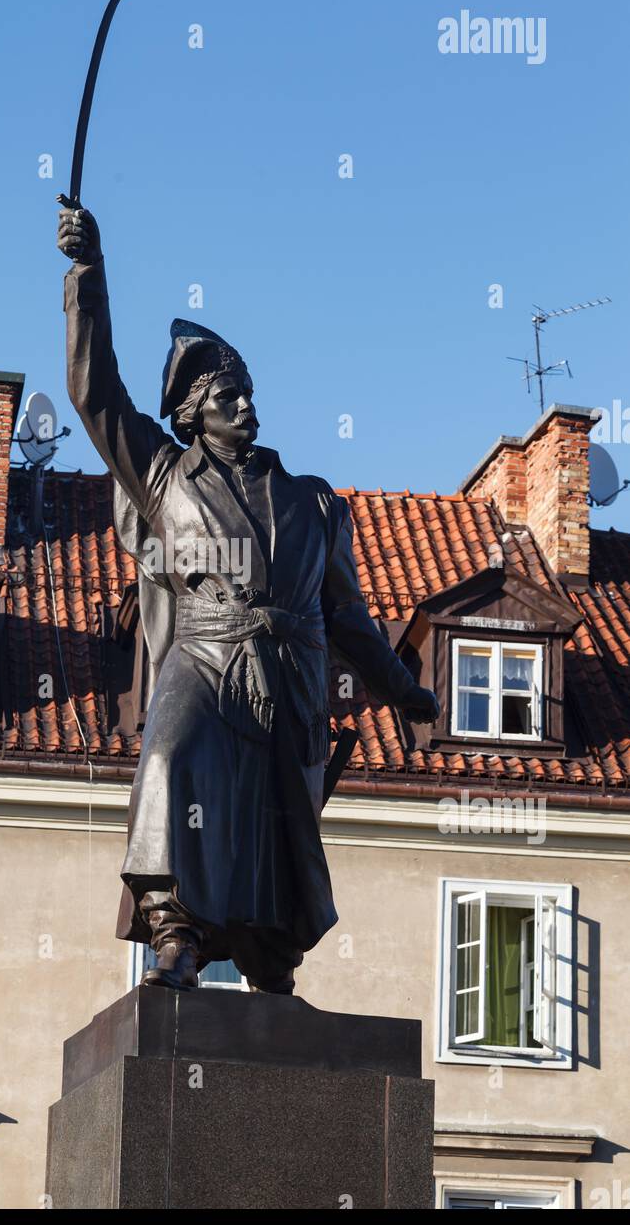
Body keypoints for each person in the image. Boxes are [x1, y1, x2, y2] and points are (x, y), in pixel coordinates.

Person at [58, 206, 439, 993]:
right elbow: (95, 395)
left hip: (291, 669)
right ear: (193, 412)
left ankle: (270, 960)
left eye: (247, 390)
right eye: (227, 393)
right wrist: (86, 277)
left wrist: (402, 689)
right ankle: (173, 934)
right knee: (168, 758)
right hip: (205, 649)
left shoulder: (316, 503)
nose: (245, 402)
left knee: (278, 824)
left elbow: (351, 617)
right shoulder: (162, 475)